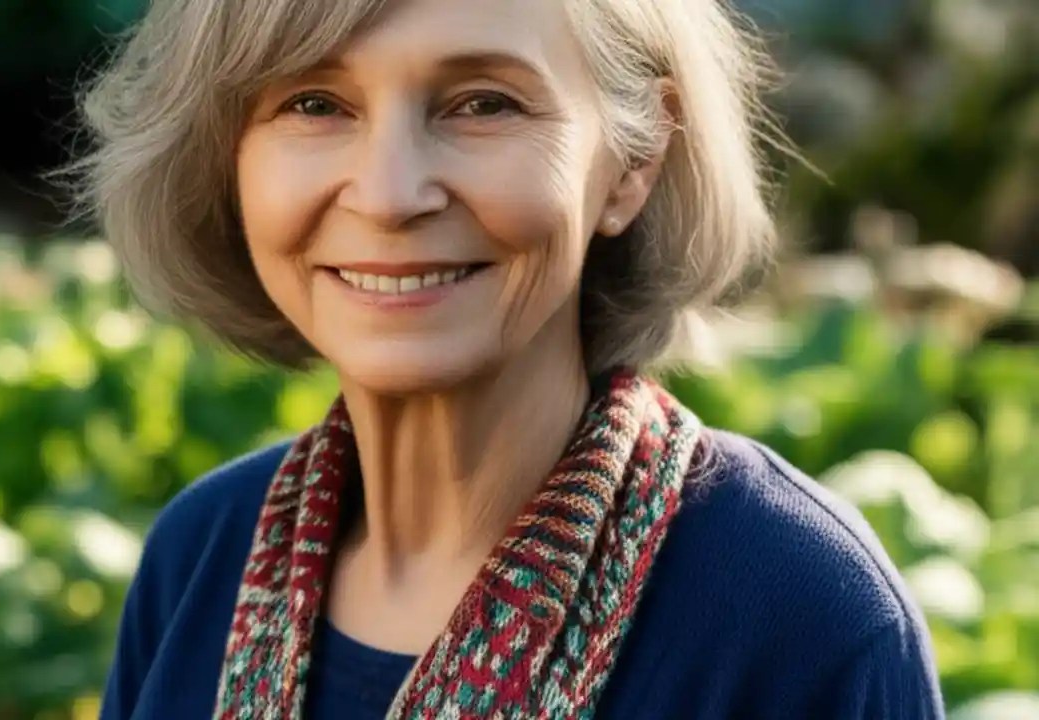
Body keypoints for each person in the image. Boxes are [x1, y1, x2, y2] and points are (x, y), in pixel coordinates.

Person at [72, 0, 944, 716]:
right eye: (313, 104)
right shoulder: (200, 556)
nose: (388, 194)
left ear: (634, 160)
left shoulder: (801, 610)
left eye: (484, 103)